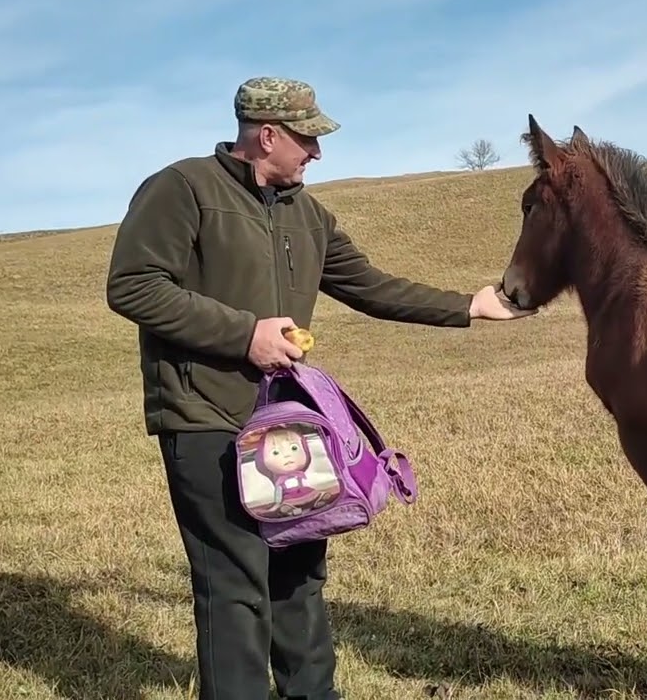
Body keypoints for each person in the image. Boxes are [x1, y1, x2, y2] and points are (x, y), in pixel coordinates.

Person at [104, 76, 534, 700]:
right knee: (235, 584)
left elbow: (372, 286)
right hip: (205, 416)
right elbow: (134, 286)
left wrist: (469, 305)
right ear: (268, 135)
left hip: (287, 421)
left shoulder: (308, 215)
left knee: (300, 571)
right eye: (308, 140)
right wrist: (244, 334)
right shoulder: (183, 189)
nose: (317, 153)